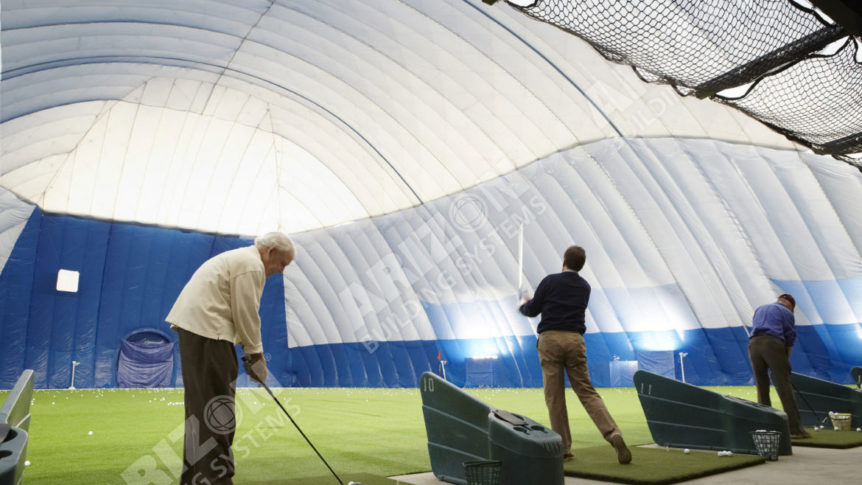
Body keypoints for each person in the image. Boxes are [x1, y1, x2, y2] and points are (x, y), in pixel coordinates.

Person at [166, 232, 295, 485]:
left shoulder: (237, 259)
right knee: (217, 413)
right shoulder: (251, 264)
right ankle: (217, 479)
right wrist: (256, 356)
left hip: (199, 333)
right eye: (282, 263)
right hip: (209, 335)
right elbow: (246, 312)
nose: (281, 271)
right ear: (270, 253)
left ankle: (195, 480)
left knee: (200, 416)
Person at [519, 245, 632, 464]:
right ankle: (612, 433)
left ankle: (564, 450)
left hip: (551, 340)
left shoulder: (550, 281)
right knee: (587, 392)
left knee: (555, 396)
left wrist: (522, 304)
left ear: (564, 261)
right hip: (575, 340)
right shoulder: (585, 287)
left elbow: (533, 310)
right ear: (581, 265)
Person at [748, 293, 811, 438]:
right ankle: (795, 429)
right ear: (789, 305)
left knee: (762, 387)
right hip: (772, 343)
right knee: (784, 386)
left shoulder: (760, 308)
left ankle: (766, 427)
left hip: (753, 345)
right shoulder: (786, 312)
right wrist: (785, 360)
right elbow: (789, 337)